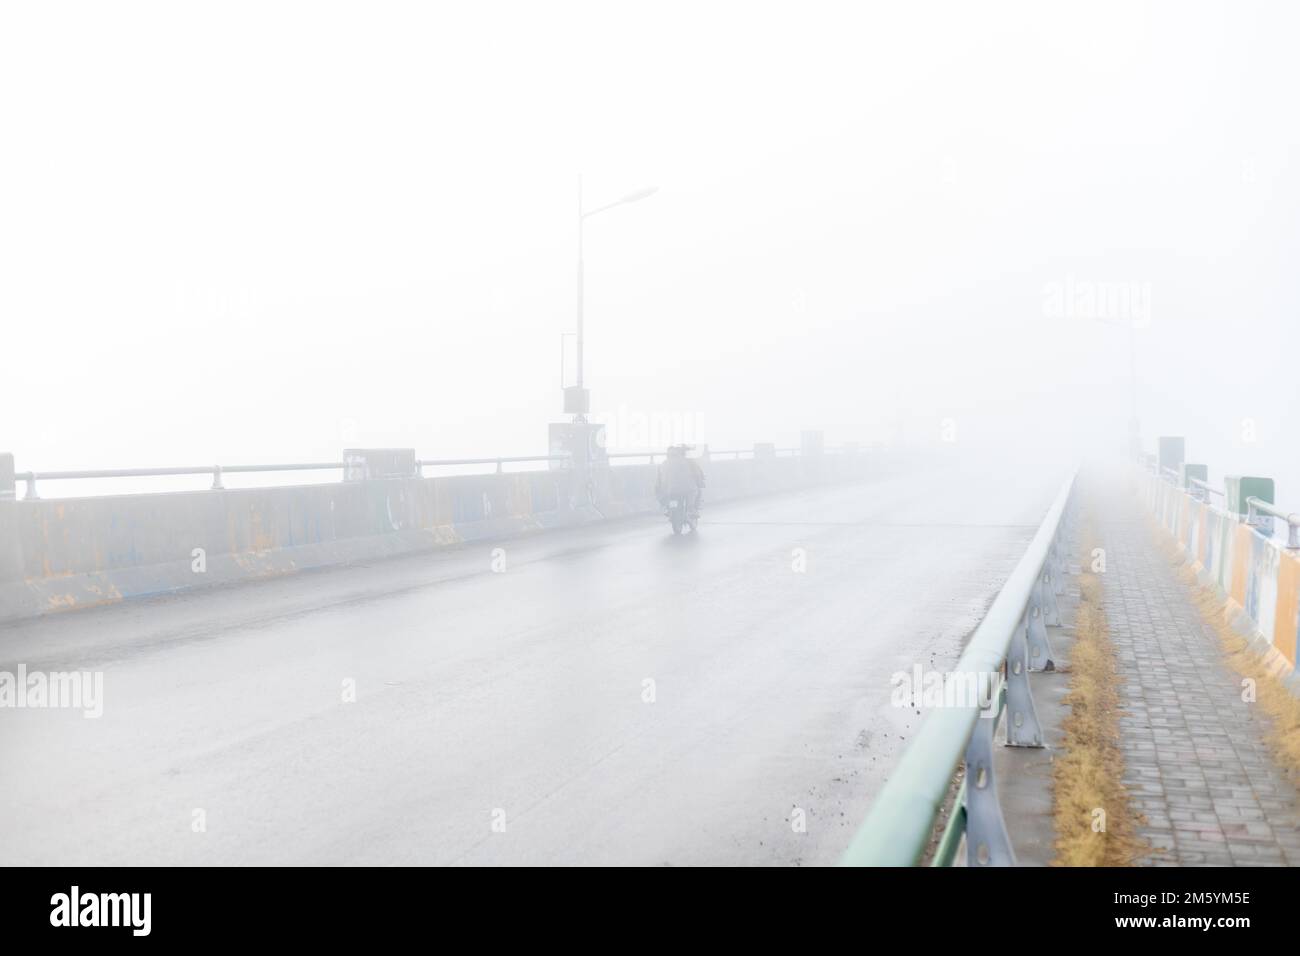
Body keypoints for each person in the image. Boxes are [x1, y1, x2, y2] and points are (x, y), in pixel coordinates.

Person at [655, 445, 705, 518]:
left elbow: (658, 481)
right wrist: (700, 482)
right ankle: (691, 510)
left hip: (669, 491)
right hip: (687, 489)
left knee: (667, 497)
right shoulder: (689, 462)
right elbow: (697, 474)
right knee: (695, 491)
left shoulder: (663, 464)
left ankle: (668, 509)